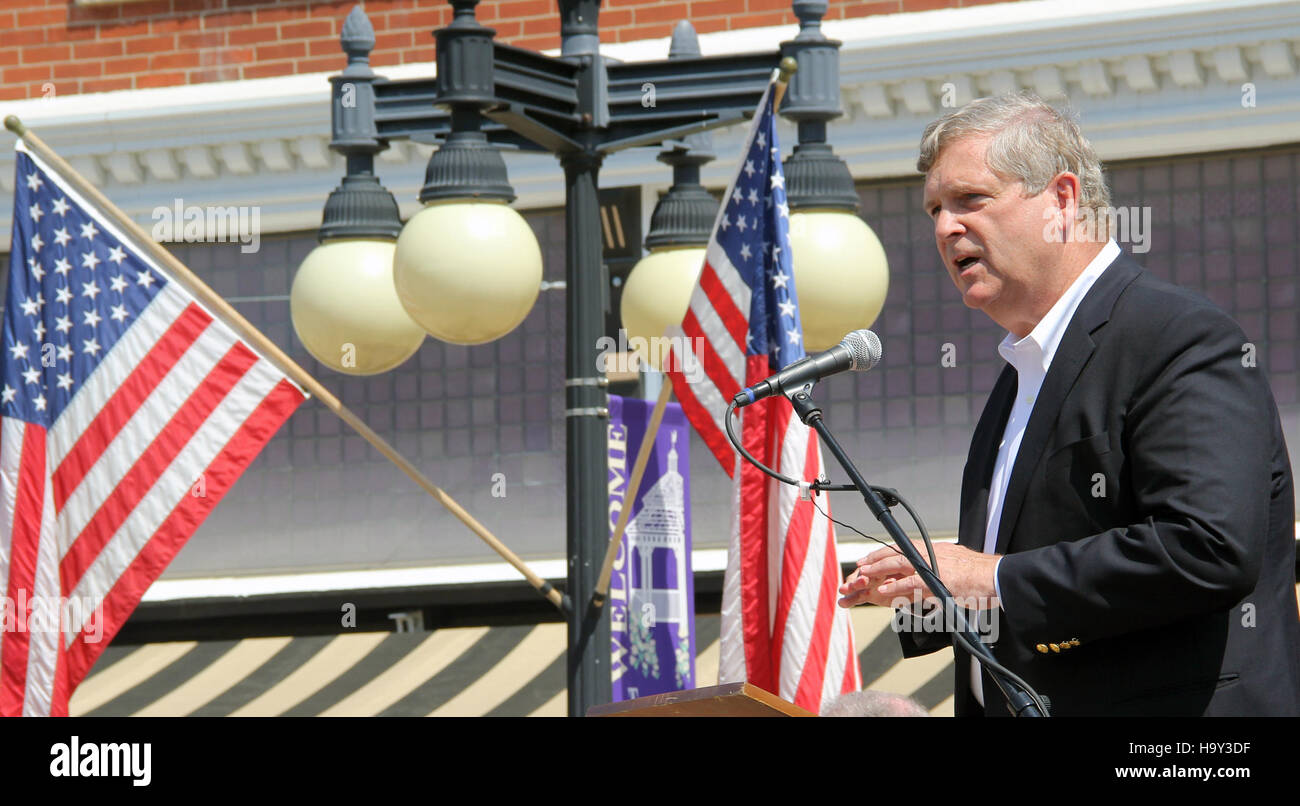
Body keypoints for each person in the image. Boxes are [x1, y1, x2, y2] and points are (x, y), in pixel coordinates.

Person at [837, 93, 1300, 716]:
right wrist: (923, 588)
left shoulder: (1175, 336)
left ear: (1061, 200)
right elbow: (1033, 581)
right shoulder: (1020, 373)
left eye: (970, 199)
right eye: (935, 210)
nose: (945, 227)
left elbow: (1206, 550)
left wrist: (983, 576)